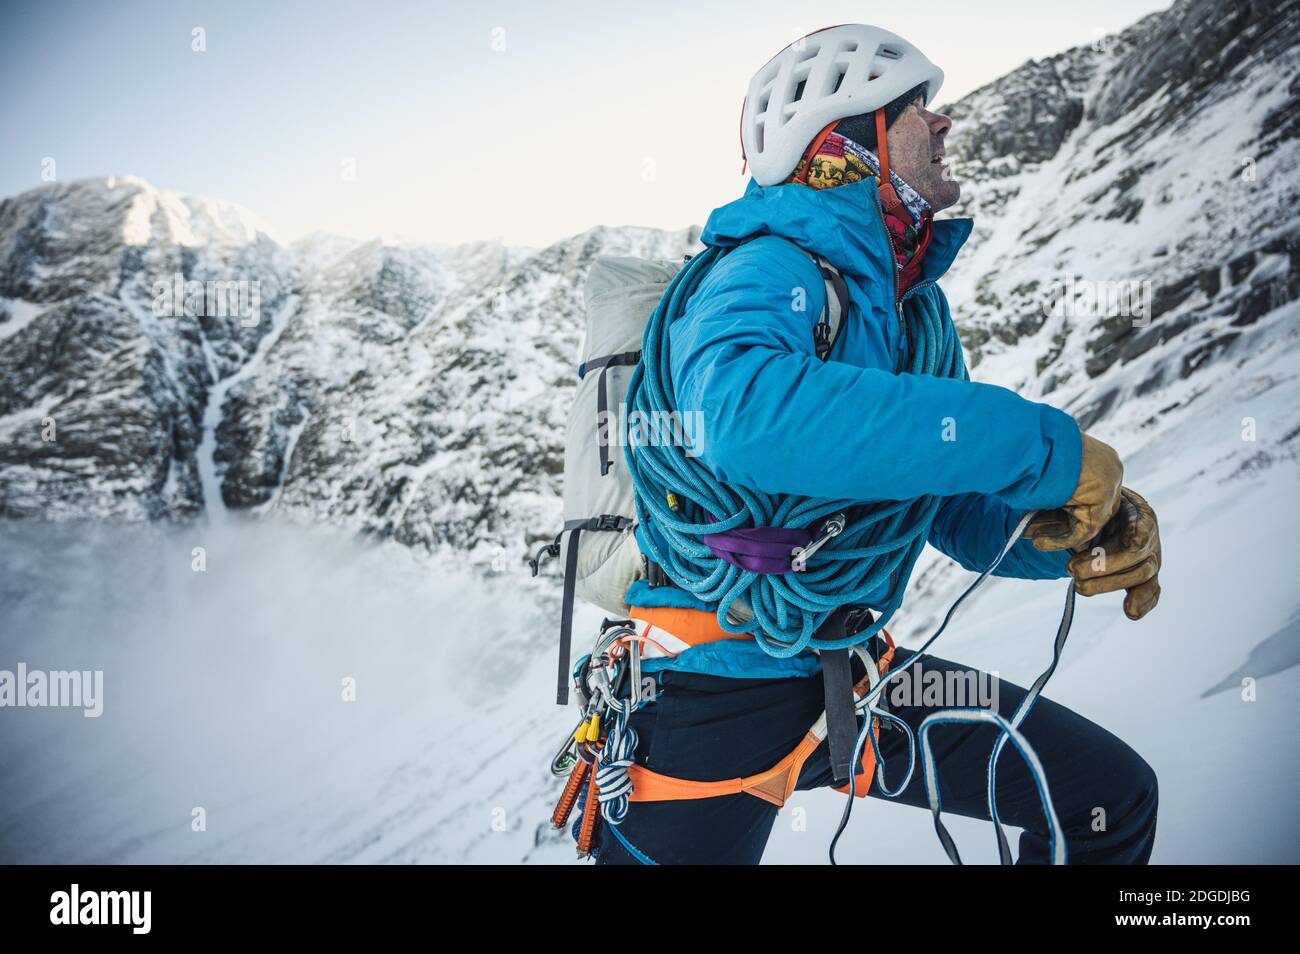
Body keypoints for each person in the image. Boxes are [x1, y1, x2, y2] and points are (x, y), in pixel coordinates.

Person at [587, 24, 1162, 865]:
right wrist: (1041, 447)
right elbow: (744, 416)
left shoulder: (911, 312)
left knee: (1104, 799)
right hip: (707, 693)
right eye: (915, 110)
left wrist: (1071, 536)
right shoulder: (767, 264)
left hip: (850, 674)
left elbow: (946, 506)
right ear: (846, 142)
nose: (944, 125)